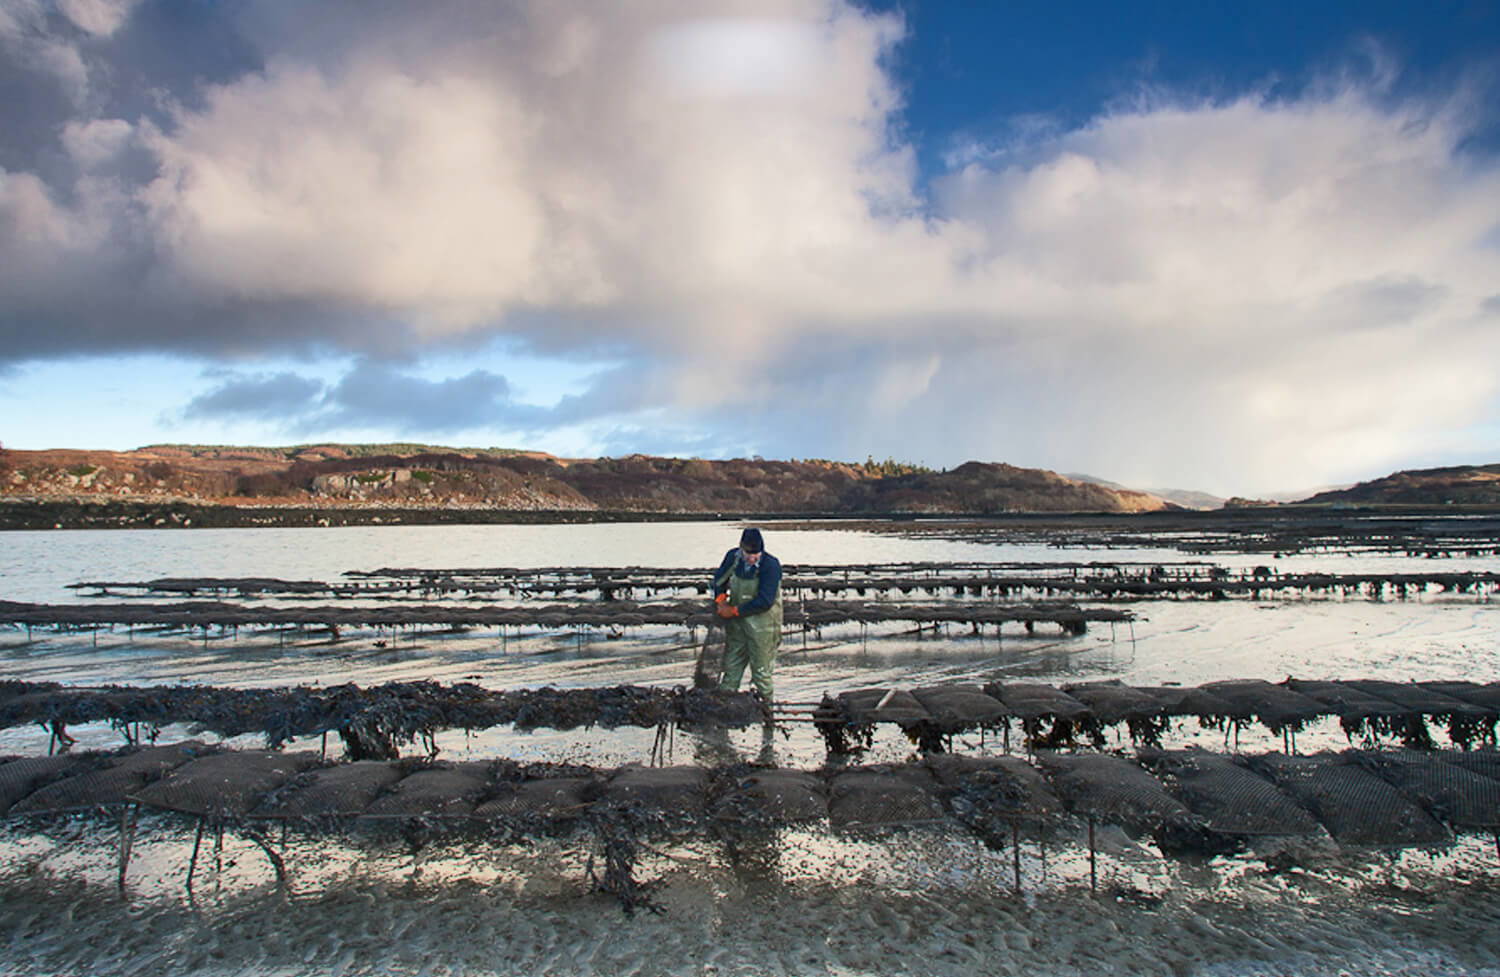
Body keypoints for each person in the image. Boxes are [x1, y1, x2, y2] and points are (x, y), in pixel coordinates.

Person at [711, 527, 783, 701]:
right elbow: (718, 581)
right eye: (748, 555)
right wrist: (720, 600)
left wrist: (734, 610)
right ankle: (725, 705)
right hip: (737, 625)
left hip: (763, 626)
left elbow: (765, 600)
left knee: (761, 673)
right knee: (731, 668)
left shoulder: (771, 565)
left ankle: (768, 713)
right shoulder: (733, 557)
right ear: (741, 549)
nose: (751, 559)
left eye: (755, 556)